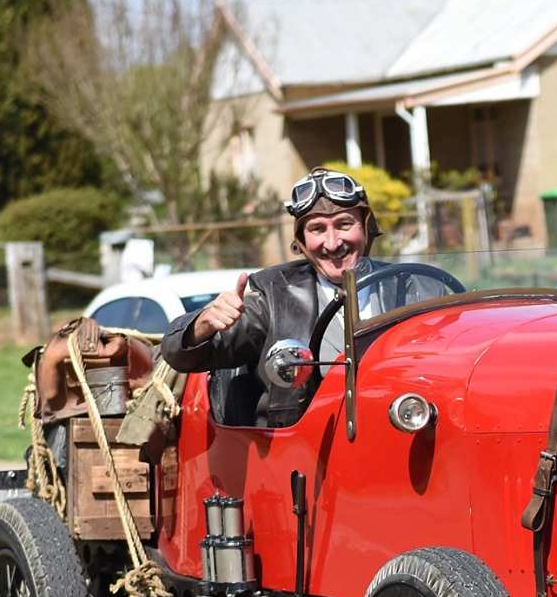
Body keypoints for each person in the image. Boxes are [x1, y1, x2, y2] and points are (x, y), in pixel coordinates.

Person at [157, 167, 386, 419]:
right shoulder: (273, 295)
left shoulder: (411, 286)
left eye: (344, 224)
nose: (332, 243)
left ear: (366, 227)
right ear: (301, 241)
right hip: (305, 450)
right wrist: (204, 323)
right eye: (317, 229)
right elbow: (178, 354)